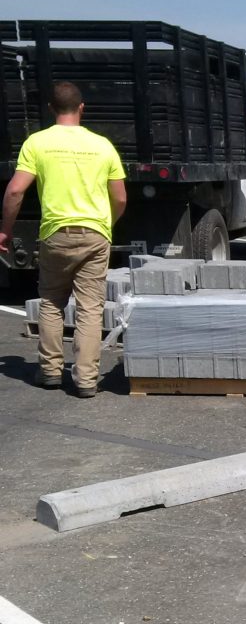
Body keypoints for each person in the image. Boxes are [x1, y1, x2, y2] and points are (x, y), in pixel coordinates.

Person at [0, 81, 126, 398]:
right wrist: (105, 224)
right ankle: (86, 380)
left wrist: (6, 229)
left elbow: (15, 191)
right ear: (82, 108)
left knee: (52, 302)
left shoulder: (37, 143)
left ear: (51, 109)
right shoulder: (103, 146)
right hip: (95, 233)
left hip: (55, 234)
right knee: (90, 308)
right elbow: (121, 197)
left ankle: (50, 371)